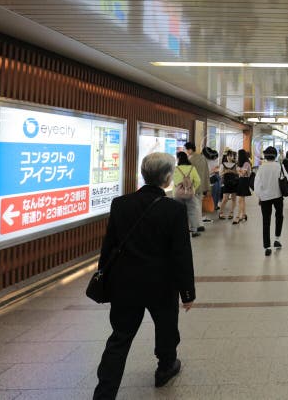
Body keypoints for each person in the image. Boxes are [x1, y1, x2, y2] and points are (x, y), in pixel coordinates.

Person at [93, 153, 195, 398]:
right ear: (168, 177)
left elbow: (109, 246)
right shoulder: (174, 210)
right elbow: (181, 253)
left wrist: (103, 278)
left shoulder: (120, 204)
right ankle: (165, 367)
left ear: (143, 173)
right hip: (161, 284)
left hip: (125, 283)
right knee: (166, 326)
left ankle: (104, 392)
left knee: (120, 337)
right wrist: (187, 292)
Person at [254, 146, 288, 256]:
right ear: (275, 156)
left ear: (265, 156)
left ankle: (267, 247)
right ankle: (277, 239)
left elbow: (257, 184)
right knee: (279, 216)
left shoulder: (261, 168)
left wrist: (260, 195)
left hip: (265, 198)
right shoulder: (279, 166)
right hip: (278, 196)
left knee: (266, 221)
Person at [173, 151, 202, 237]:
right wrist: (192, 188)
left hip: (178, 194)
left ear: (179, 159)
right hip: (190, 193)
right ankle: (194, 231)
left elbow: (173, 180)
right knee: (192, 212)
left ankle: (180, 231)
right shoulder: (192, 168)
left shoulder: (176, 169)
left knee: (179, 212)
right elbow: (198, 181)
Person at [184, 142, 211, 224]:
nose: (186, 151)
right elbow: (207, 173)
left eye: (186, 149)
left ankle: (196, 224)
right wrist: (207, 187)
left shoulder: (190, 160)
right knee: (199, 205)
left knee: (193, 206)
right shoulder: (202, 158)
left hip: (193, 186)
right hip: (201, 185)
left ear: (190, 149)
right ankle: (200, 224)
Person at [218, 150, 238, 220]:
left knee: (233, 198)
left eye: (231, 155)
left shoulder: (235, 164)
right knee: (225, 199)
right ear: (226, 156)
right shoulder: (222, 164)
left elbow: (238, 173)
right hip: (226, 183)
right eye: (228, 155)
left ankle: (231, 212)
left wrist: (232, 171)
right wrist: (225, 172)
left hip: (234, 183)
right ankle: (221, 212)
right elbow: (220, 174)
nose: (230, 157)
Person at [234, 149, 252, 224]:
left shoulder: (246, 163)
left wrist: (239, 171)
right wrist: (240, 171)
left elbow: (242, 174)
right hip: (242, 181)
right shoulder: (241, 164)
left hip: (244, 181)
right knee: (242, 200)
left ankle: (238, 216)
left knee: (240, 200)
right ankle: (243, 215)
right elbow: (239, 172)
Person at [204, 147, 221, 215]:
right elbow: (206, 172)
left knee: (217, 192)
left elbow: (217, 167)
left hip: (216, 177)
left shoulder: (214, 160)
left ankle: (216, 205)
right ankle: (212, 206)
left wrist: (217, 169)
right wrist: (213, 170)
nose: (216, 158)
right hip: (210, 178)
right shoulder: (206, 161)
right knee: (214, 192)